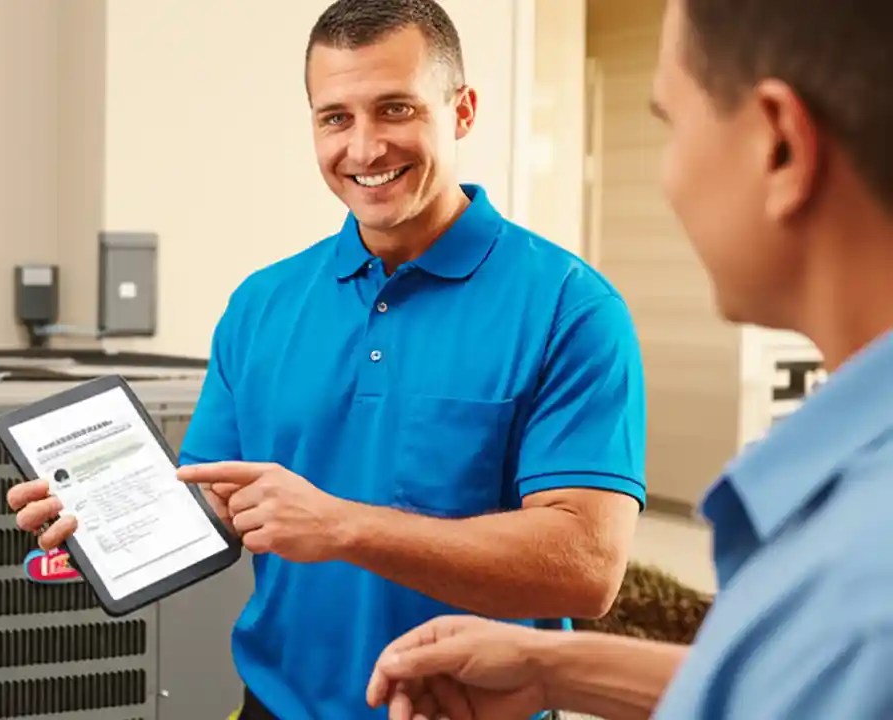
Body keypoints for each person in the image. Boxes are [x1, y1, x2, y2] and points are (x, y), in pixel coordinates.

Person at [11, 0, 646, 717]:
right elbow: (221, 501)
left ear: (462, 111)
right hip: (274, 704)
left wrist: (343, 525)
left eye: (396, 109)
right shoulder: (262, 302)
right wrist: (107, 514)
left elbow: (588, 567)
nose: (365, 149)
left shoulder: (570, 306)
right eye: (335, 118)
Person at [364, 0, 893, 717]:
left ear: (780, 148)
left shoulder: (866, 570)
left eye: (671, 126)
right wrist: (556, 666)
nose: (668, 179)